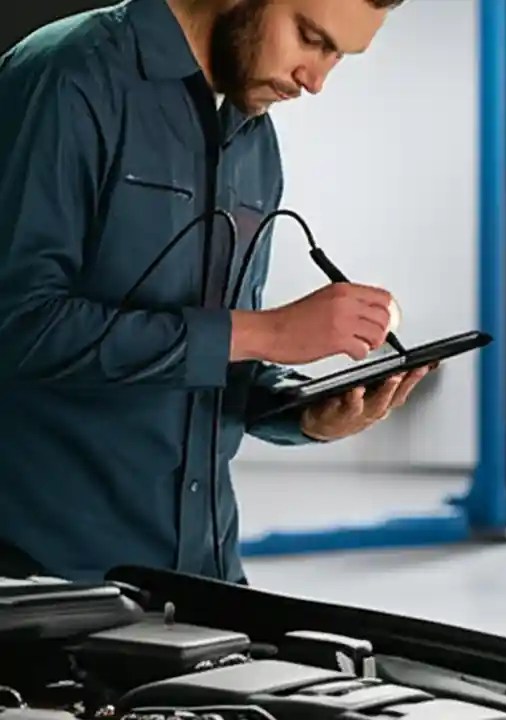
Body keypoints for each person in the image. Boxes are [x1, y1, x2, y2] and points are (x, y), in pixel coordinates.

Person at [0, 0, 431, 584]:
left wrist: (304, 413)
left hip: (206, 575)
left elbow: (217, 357)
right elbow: (19, 324)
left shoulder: (253, 140)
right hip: (51, 582)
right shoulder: (67, 76)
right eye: (311, 38)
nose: (315, 81)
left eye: (338, 57)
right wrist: (269, 332)